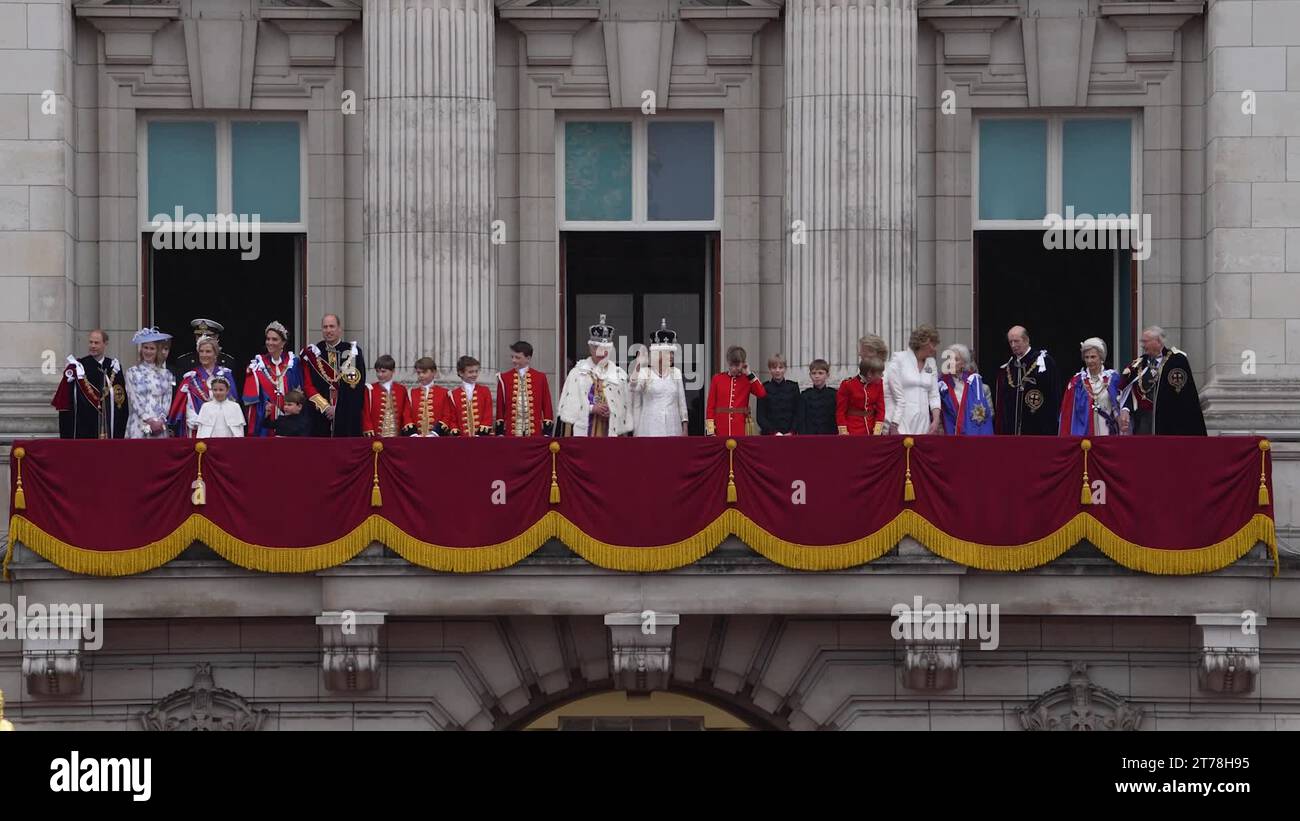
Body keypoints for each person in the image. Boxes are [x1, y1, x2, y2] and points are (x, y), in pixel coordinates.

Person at [1116, 326, 1207, 436]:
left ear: (1158, 341)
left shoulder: (1176, 360)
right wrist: (1125, 409)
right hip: (1143, 424)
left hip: (1169, 423)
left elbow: (1184, 396)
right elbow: (1129, 389)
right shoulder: (1140, 364)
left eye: (1145, 341)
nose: (1142, 345)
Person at [557, 315, 632, 437]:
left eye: (605, 349)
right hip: (583, 434)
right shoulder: (577, 373)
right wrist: (592, 408)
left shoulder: (619, 375)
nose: (601, 352)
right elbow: (569, 408)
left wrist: (612, 410)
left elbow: (626, 408)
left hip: (611, 435)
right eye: (597, 348)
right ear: (590, 348)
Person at [52, 328, 129, 439]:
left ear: (105, 344)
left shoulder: (114, 367)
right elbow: (67, 400)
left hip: (107, 428)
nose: (92, 346)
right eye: (90, 342)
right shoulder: (78, 367)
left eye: (96, 343)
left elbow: (120, 400)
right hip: (84, 426)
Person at [301, 313, 367, 437]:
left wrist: (338, 409)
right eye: (325, 327)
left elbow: (357, 386)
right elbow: (308, 385)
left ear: (339, 329)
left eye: (332, 326)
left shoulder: (352, 352)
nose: (328, 330)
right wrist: (325, 407)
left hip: (347, 416)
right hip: (320, 416)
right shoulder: (314, 353)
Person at [995, 325, 1061, 435]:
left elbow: (1054, 395)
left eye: (1016, 341)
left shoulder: (1043, 362)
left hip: (1038, 427)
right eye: (1010, 342)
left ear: (1026, 340)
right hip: (1013, 430)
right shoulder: (1009, 367)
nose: (1013, 345)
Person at [242, 321, 304, 438]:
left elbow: (298, 393)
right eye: (268, 339)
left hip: (289, 424)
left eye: (274, 339)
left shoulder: (292, 363)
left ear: (283, 343)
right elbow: (251, 400)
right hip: (266, 423)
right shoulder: (258, 365)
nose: (270, 343)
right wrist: (263, 410)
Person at [168, 337, 237, 438]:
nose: (204, 355)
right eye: (201, 351)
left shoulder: (226, 375)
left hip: (221, 429)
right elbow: (185, 405)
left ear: (215, 354)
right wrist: (195, 419)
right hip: (197, 429)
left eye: (208, 351)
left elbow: (232, 403)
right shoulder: (191, 377)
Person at [630, 320, 689, 437]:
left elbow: (681, 403)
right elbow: (634, 388)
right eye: (668, 353)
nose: (672, 356)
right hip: (650, 427)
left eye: (672, 353)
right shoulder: (645, 372)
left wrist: (685, 428)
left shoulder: (676, 373)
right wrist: (637, 365)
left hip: (673, 427)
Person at [885, 324, 942, 435]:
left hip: (923, 422)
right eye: (933, 344)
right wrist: (892, 423)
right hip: (901, 420)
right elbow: (890, 392)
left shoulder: (931, 363)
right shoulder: (899, 359)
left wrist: (935, 420)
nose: (935, 349)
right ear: (922, 342)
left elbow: (934, 394)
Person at [1060, 337, 1121, 436]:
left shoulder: (1113, 378)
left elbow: (1118, 406)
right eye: (1086, 357)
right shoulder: (1077, 382)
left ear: (1101, 357)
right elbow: (1068, 413)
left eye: (1093, 357)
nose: (1089, 361)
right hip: (1084, 434)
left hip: (1108, 432)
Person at [495, 340, 555, 437]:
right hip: (511, 433)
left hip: (535, 432)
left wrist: (547, 432)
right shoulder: (504, 378)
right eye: (512, 357)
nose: (513, 360)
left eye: (518, 357)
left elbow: (547, 405)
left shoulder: (540, 377)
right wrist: (500, 432)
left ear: (528, 358)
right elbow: (500, 407)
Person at [125, 327, 175, 439]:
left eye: (152, 348)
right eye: (145, 348)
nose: (148, 351)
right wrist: (148, 419)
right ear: (141, 349)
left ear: (157, 350)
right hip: (138, 423)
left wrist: (160, 420)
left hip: (160, 425)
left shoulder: (166, 374)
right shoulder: (132, 372)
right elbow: (133, 399)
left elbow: (167, 399)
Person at [705, 345, 766, 437]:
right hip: (720, 428)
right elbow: (710, 407)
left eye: (737, 365)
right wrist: (710, 431)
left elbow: (761, 393)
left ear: (743, 363)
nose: (733, 368)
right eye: (731, 365)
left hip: (740, 428)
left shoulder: (748, 379)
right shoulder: (717, 379)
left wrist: (749, 373)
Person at [937, 343, 994, 436]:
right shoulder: (941, 383)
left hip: (971, 433)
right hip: (949, 432)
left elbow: (983, 412)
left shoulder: (973, 381)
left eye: (956, 359)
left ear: (963, 363)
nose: (951, 362)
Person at [436, 356, 495, 436]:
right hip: (462, 439)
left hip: (483, 438)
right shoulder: (453, 394)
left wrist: (482, 433)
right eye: (470, 372)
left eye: (476, 371)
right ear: (461, 373)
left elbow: (488, 414)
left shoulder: (485, 391)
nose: (474, 374)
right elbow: (453, 417)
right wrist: (456, 431)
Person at [170, 318, 237, 382]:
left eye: (208, 335)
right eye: (199, 335)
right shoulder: (183, 362)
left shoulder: (227, 362)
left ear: (216, 337)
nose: (203, 338)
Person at [363, 354, 411, 438]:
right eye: (377, 371)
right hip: (376, 436)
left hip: (397, 436)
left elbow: (406, 411)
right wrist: (368, 428)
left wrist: (408, 428)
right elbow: (365, 412)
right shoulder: (370, 389)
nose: (380, 374)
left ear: (392, 371)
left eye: (383, 371)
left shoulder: (401, 389)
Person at [837, 358, 887, 435]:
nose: (882, 375)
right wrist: (844, 431)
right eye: (880, 373)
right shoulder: (847, 385)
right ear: (869, 374)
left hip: (872, 428)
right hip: (853, 428)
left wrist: (877, 429)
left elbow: (881, 408)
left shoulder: (878, 383)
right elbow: (841, 411)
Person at [757, 353, 799, 435]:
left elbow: (797, 413)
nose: (777, 370)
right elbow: (761, 416)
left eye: (780, 367)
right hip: (769, 435)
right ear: (769, 369)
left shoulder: (793, 387)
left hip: (790, 435)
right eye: (774, 368)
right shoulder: (764, 388)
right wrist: (774, 432)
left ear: (785, 369)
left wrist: (792, 431)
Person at [406, 357, 446, 437]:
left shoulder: (444, 392)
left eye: (424, 372)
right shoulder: (411, 393)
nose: (421, 375)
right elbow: (406, 415)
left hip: (438, 439)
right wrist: (413, 434)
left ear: (434, 372)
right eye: (418, 373)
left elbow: (447, 415)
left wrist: (435, 433)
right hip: (415, 439)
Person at [795, 359, 838, 435]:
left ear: (827, 375)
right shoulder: (805, 395)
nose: (817, 376)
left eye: (820, 373)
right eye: (813, 373)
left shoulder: (834, 395)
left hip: (830, 436)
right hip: (810, 437)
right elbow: (801, 420)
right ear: (810, 375)